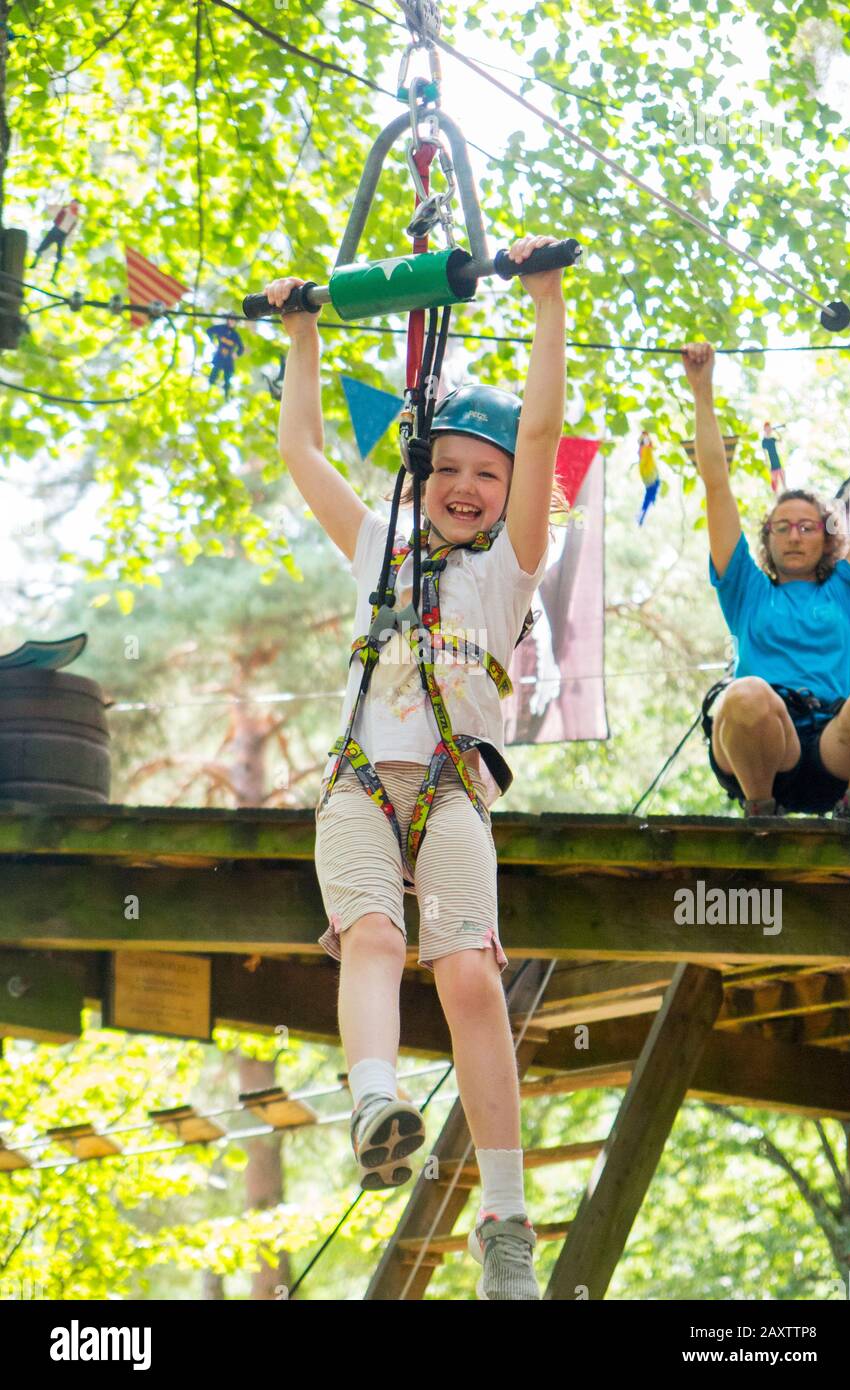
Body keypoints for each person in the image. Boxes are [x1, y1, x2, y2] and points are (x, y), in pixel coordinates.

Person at [264, 234, 568, 1299]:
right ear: (417, 476)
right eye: (446, 467)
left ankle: (506, 1219)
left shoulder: (511, 570)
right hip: (358, 778)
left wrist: (545, 302)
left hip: (449, 783)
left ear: (513, 489)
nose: (466, 485)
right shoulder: (376, 549)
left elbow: (540, 424)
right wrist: (304, 337)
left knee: (474, 976)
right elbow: (304, 453)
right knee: (374, 935)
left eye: (487, 473)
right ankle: (377, 1100)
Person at [682, 340, 850, 818]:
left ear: (828, 538)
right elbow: (716, 485)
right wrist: (702, 391)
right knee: (744, 693)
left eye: (807, 526)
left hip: (837, 749)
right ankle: (761, 813)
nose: (794, 535)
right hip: (761, 747)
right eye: (781, 526)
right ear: (767, 538)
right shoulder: (746, 587)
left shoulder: (848, 591)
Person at [32, 199, 81, 283]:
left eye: (76, 204)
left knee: (59, 257)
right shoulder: (64, 209)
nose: (74, 205)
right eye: (74, 203)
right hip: (55, 230)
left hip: (62, 235)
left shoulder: (75, 216)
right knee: (42, 247)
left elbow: (72, 227)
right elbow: (53, 211)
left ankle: (53, 277)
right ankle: (34, 263)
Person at [205, 316, 244, 399]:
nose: (232, 322)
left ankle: (227, 391)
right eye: (231, 320)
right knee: (215, 370)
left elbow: (241, 348)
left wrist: (236, 354)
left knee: (228, 375)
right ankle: (211, 385)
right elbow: (209, 330)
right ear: (227, 320)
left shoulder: (235, 335)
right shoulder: (221, 328)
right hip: (220, 354)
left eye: (234, 321)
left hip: (229, 357)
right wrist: (213, 340)